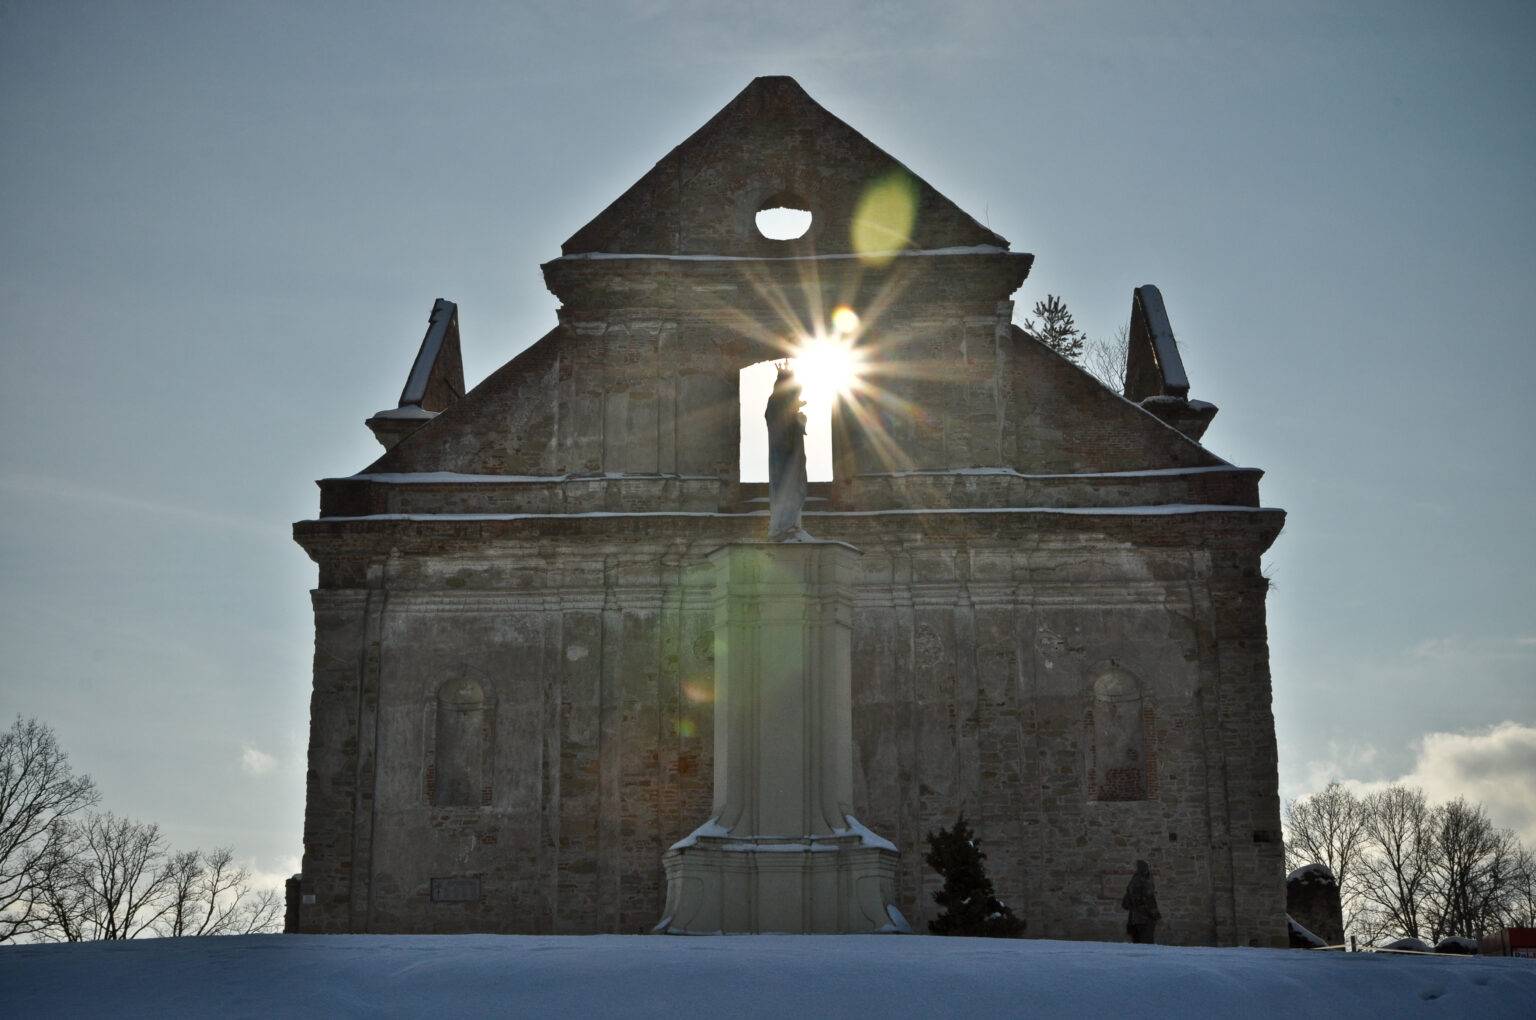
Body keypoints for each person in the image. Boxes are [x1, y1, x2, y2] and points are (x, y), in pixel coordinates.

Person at [764, 363, 809, 541]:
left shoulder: (777, 404)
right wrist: (798, 421)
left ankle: (791, 524)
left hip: (791, 455)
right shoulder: (775, 404)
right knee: (787, 486)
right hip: (783, 456)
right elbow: (777, 422)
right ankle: (784, 526)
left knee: (794, 486)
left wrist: (799, 421)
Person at [1121, 859, 1160, 944]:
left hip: (1134, 918)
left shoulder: (1134, 879)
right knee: (1146, 943)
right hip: (1144, 918)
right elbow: (1148, 898)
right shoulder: (1144, 880)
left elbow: (1126, 902)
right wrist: (1155, 914)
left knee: (1137, 944)